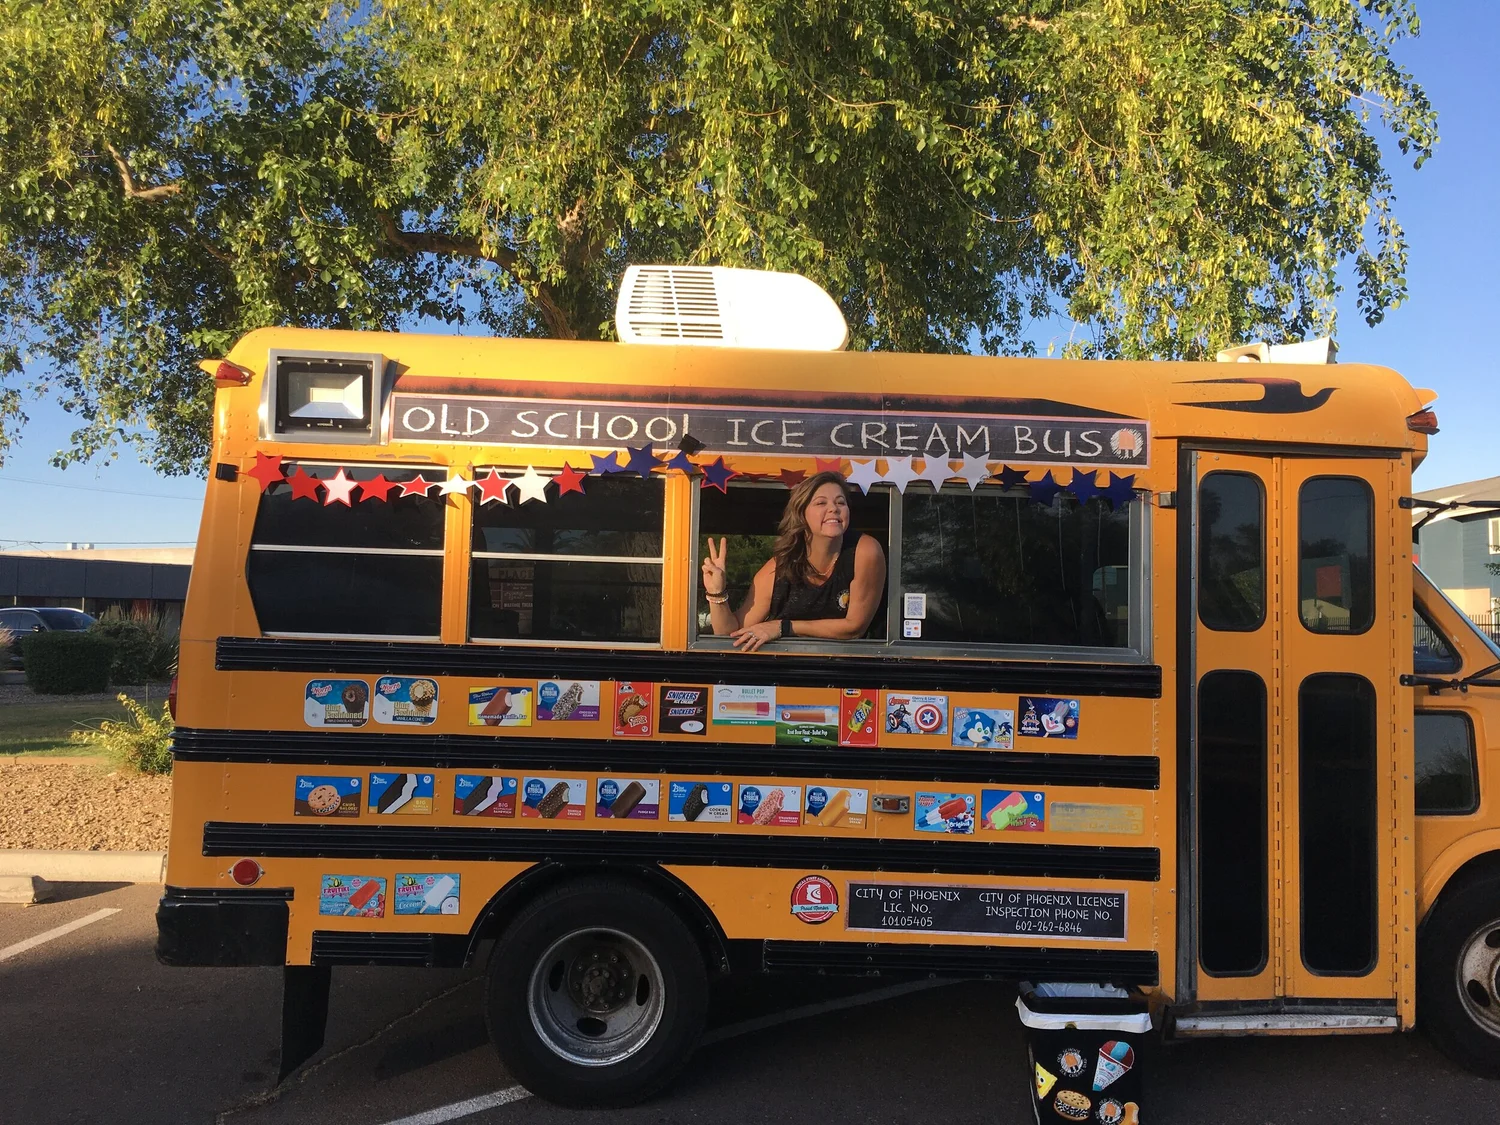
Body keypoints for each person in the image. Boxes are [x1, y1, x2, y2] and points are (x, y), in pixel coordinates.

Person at [701, 471, 887, 651]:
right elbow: (729, 635)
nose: (833, 508)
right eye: (821, 503)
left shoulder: (865, 551)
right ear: (801, 515)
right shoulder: (778, 568)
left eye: (841, 502)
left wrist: (783, 627)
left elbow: (854, 628)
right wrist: (716, 593)